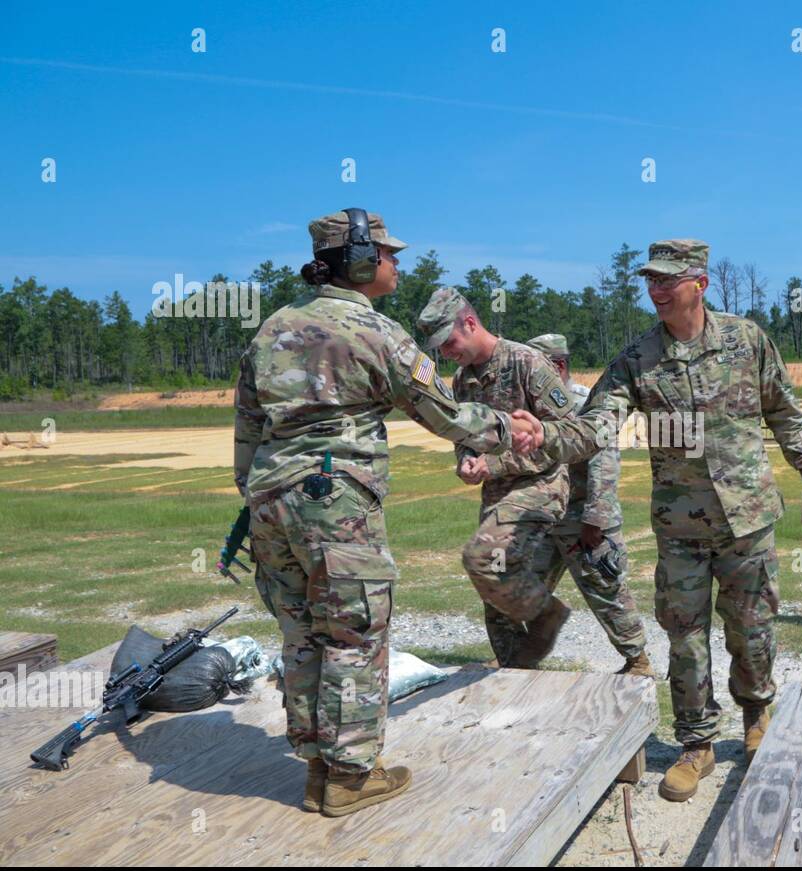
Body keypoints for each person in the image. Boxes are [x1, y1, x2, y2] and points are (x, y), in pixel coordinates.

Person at [512, 239, 802, 802]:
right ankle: (696, 743)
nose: (656, 291)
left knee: (752, 627)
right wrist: (547, 434)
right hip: (680, 527)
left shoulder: (746, 339)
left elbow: (784, 409)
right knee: (684, 636)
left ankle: (757, 717)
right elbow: (597, 423)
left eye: (667, 280)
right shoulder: (638, 358)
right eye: (650, 281)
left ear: (699, 283)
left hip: (747, 519)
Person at [235, 208, 525, 817]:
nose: (397, 264)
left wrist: (258, 495)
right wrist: (511, 428)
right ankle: (351, 776)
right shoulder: (375, 332)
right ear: (362, 262)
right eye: (389, 255)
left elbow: (247, 427)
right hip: (333, 501)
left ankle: (318, 766)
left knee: (302, 633)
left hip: (269, 502)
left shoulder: (270, 329)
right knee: (355, 631)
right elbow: (445, 416)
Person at [416, 290, 574, 668]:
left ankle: (547, 614)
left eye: (450, 342)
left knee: (483, 559)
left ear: (470, 323)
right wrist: (467, 460)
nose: (446, 353)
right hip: (498, 496)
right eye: (438, 348)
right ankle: (515, 672)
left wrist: (496, 465)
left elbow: (567, 435)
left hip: (541, 487)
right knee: (495, 593)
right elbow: (463, 435)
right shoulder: (463, 381)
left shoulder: (526, 362)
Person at [524, 334, 652, 677]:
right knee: (522, 587)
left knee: (606, 590)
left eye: (536, 367)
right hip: (543, 518)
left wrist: (596, 519)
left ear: (559, 365)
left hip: (583, 521)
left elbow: (604, 464)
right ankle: (518, 658)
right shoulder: (532, 408)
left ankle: (637, 661)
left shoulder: (587, 404)